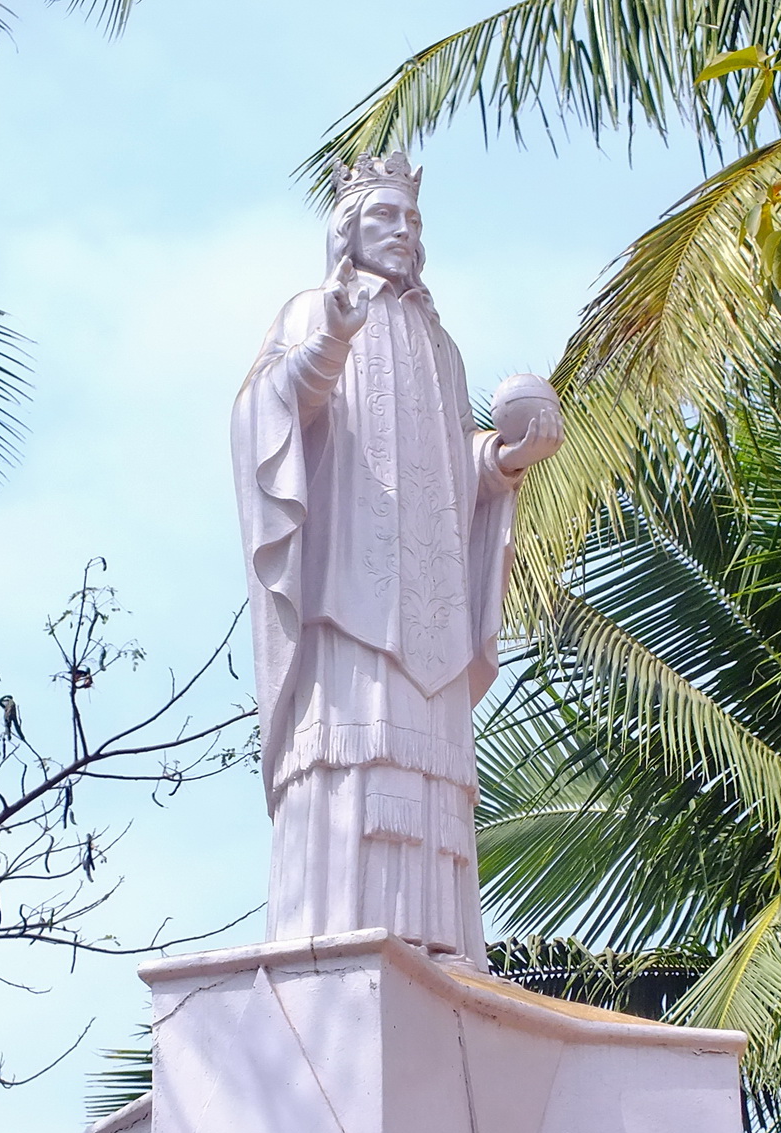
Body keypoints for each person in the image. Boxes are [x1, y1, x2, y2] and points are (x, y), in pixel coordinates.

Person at [232, 152, 562, 965]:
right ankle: (337, 937)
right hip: (350, 592)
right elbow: (270, 410)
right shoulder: (317, 306)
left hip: (433, 605)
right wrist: (332, 341)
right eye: (386, 217)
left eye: (412, 220)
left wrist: (508, 457)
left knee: (429, 777)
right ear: (346, 230)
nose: (404, 232)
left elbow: (450, 471)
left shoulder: (438, 345)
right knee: (351, 751)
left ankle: (441, 947)